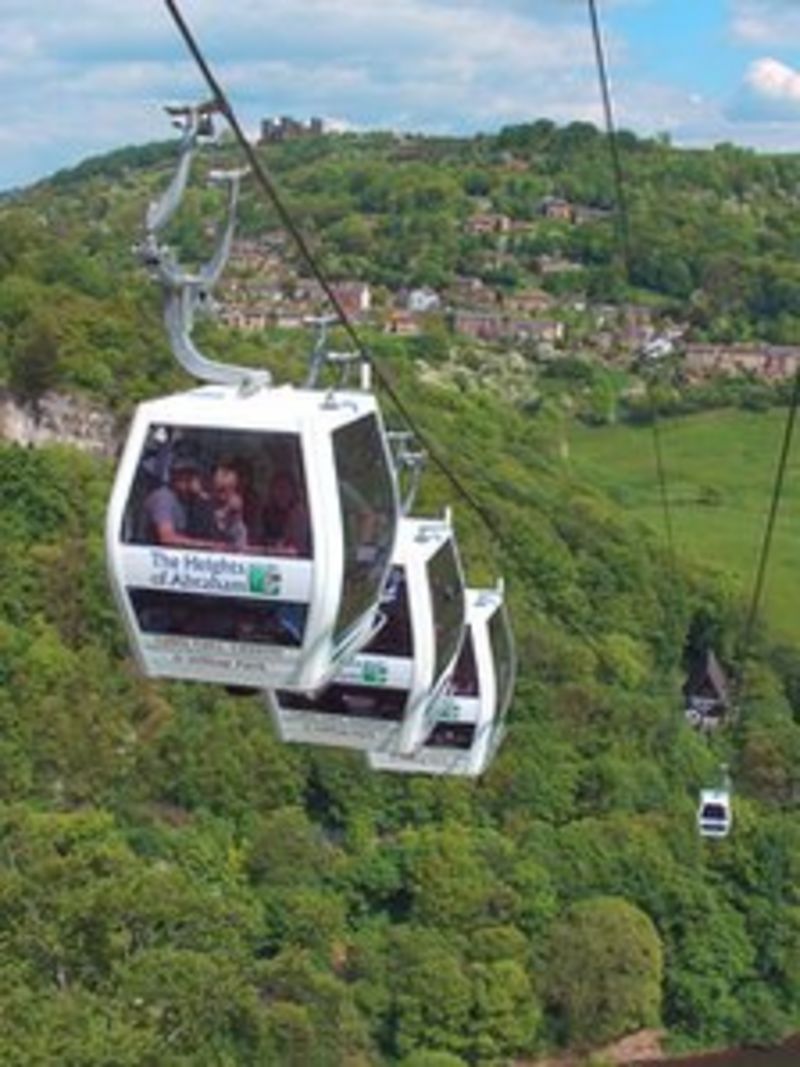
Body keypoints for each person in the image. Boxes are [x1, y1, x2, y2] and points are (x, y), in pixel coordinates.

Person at [258, 470, 311, 557]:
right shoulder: (266, 513)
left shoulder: (298, 514)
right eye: (278, 488)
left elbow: (295, 546)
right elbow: (257, 539)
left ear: (293, 491)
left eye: (285, 488)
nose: (282, 493)